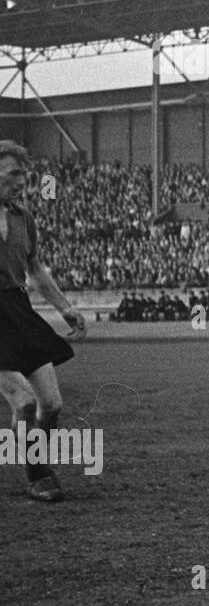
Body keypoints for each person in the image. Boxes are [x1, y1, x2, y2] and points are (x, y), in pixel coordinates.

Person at [0, 141, 87, 502]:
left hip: (17, 310)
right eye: (14, 173)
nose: (22, 180)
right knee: (21, 402)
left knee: (50, 405)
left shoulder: (24, 217)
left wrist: (64, 307)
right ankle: (38, 474)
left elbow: (35, 268)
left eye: (25, 174)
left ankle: (31, 460)